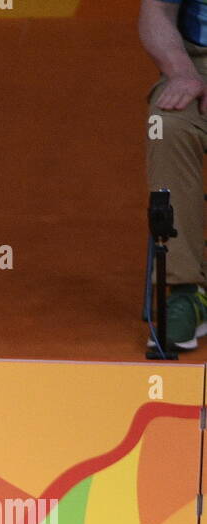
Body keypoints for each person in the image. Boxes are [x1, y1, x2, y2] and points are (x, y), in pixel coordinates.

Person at [141, 0, 207, 347]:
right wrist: (182, 73)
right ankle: (187, 292)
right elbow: (157, 12)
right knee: (164, 127)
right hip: (196, 61)